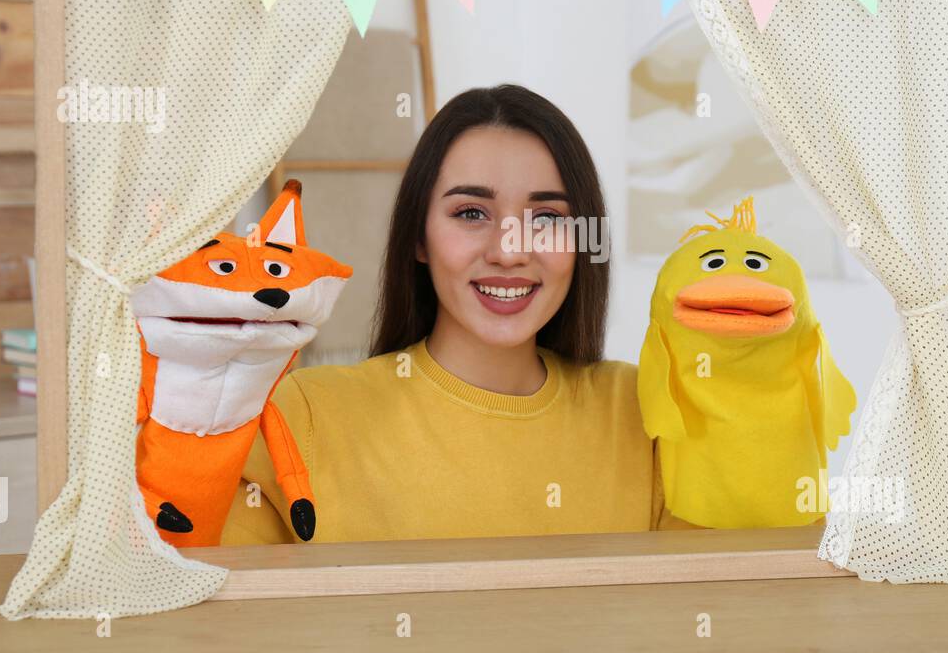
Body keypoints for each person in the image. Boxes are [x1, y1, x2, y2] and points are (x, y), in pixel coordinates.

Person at [222, 84, 697, 544]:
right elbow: (215, 585)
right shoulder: (303, 415)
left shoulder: (647, 415)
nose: (509, 252)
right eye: (471, 213)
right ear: (419, 238)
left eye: (547, 218)